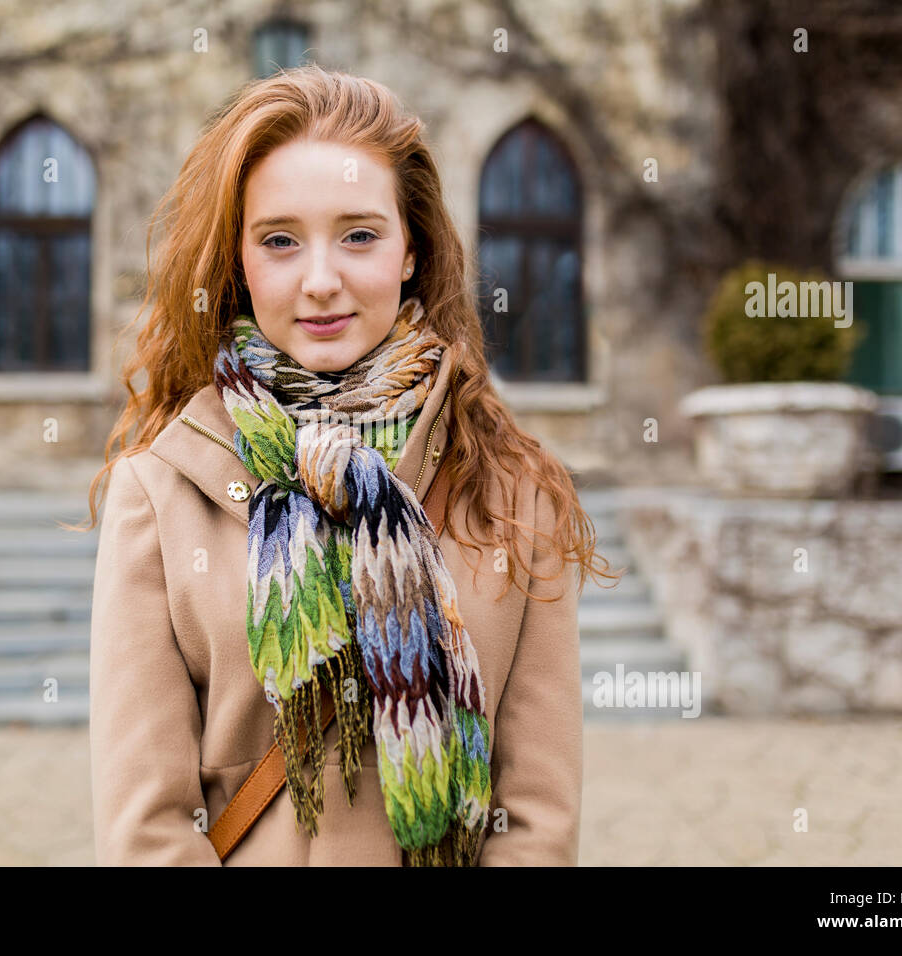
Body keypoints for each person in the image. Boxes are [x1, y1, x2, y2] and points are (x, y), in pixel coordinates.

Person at [75, 64, 618, 866]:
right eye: (280, 240)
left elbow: (535, 818)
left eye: (359, 235)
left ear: (410, 250)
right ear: (240, 261)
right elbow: (146, 830)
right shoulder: (160, 493)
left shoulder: (512, 494)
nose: (321, 281)